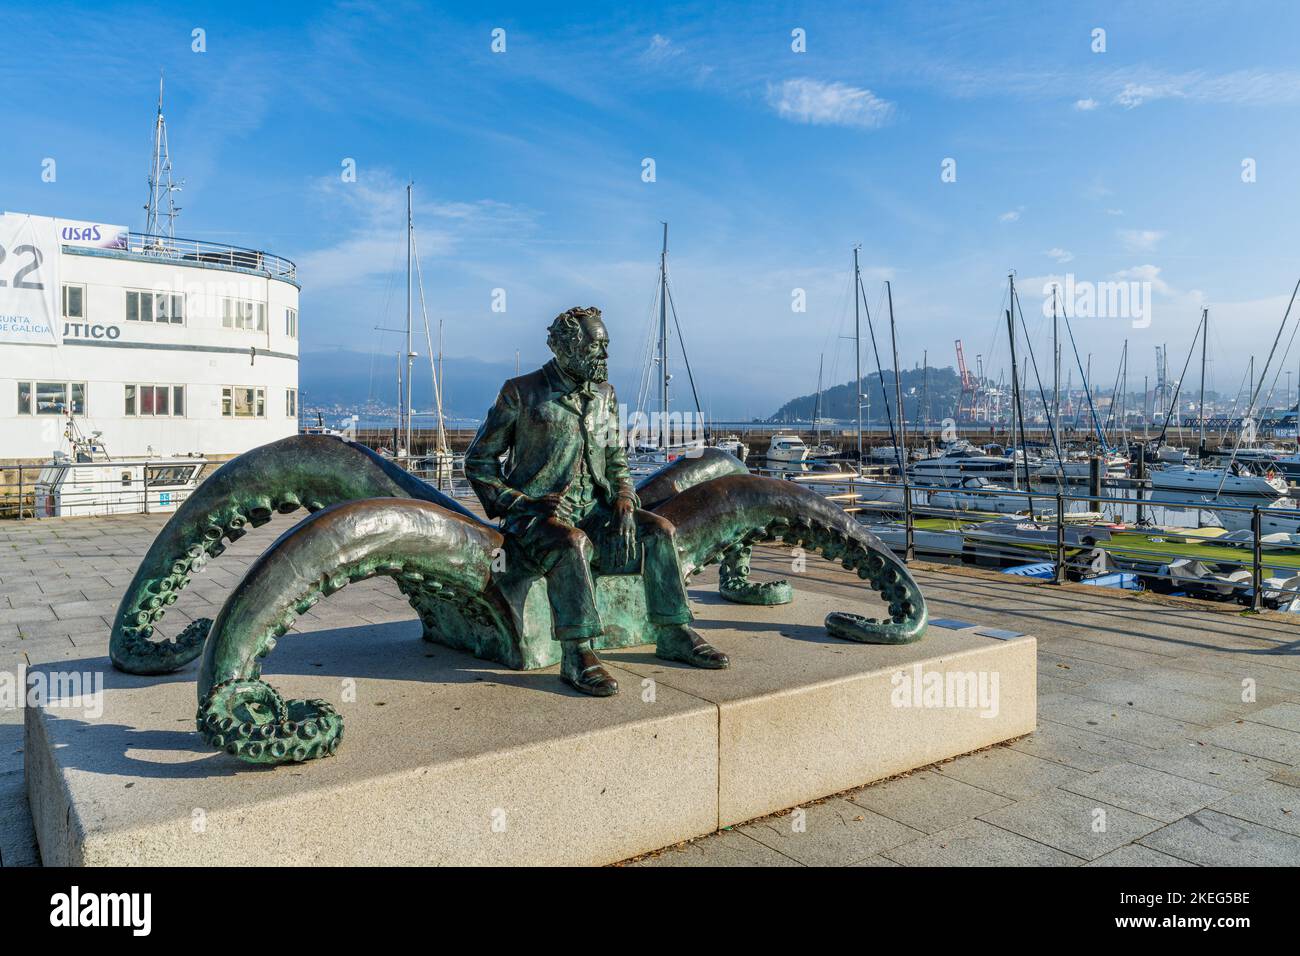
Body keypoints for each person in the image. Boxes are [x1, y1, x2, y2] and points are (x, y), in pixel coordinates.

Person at [464, 306, 728, 695]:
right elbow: (479, 461)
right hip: (539, 518)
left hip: (596, 509)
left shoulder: (605, 394)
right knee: (573, 544)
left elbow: (616, 458)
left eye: (606, 346)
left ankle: (673, 630)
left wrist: (624, 497)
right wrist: (520, 503)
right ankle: (578, 652)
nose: (605, 356)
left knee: (659, 531)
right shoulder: (520, 392)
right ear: (566, 349)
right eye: (596, 347)